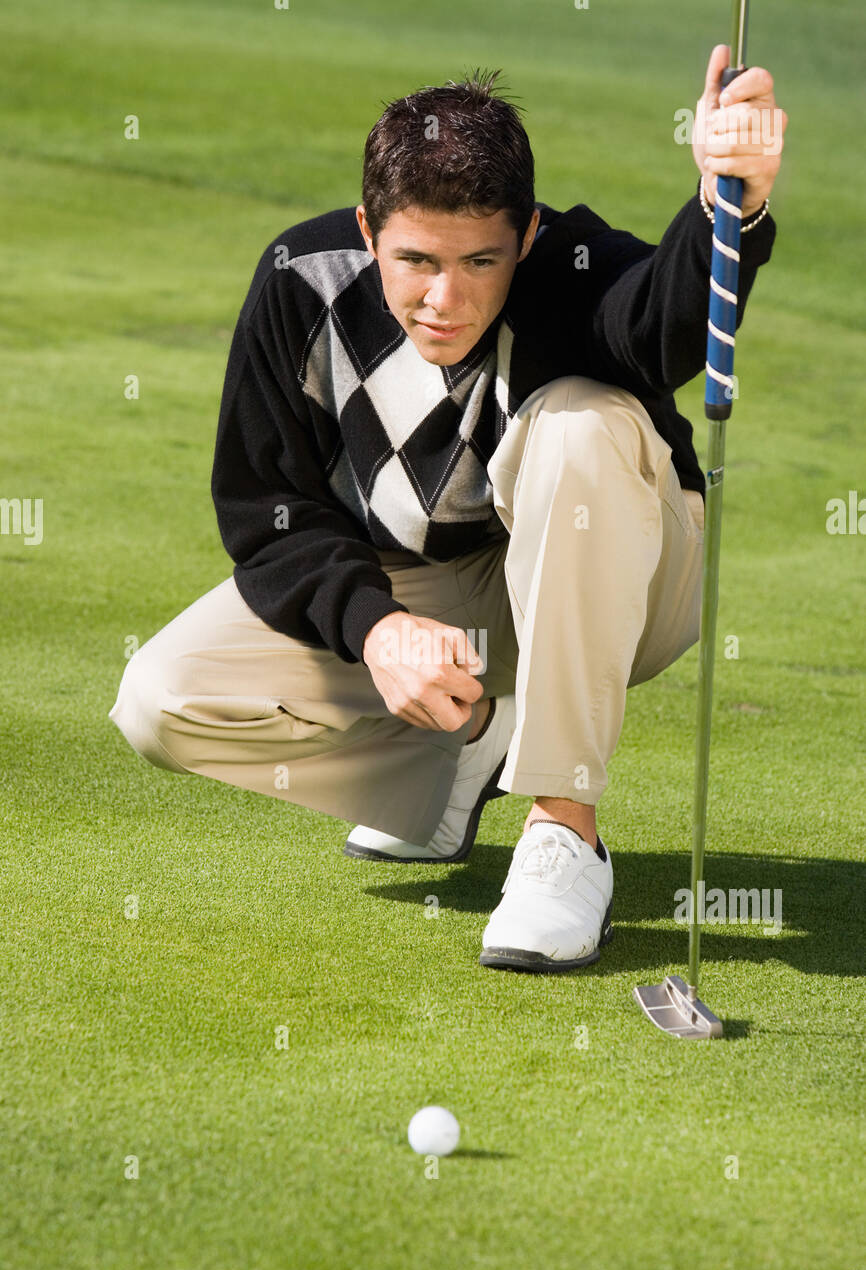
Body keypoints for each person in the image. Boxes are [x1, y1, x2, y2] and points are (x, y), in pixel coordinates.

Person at [110, 48, 785, 973]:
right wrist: (378, 628)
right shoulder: (301, 285)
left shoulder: (570, 268)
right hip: (436, 596)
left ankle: (565, 832)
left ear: (528, 235)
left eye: (482, 260)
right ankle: (463, 750)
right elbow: (270, 511)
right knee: (160, 701)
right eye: (416, 259)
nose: (446, 297)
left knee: (582, 426)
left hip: (630, 584)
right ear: (366, 228)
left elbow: (658, 325)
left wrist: (726, 207)